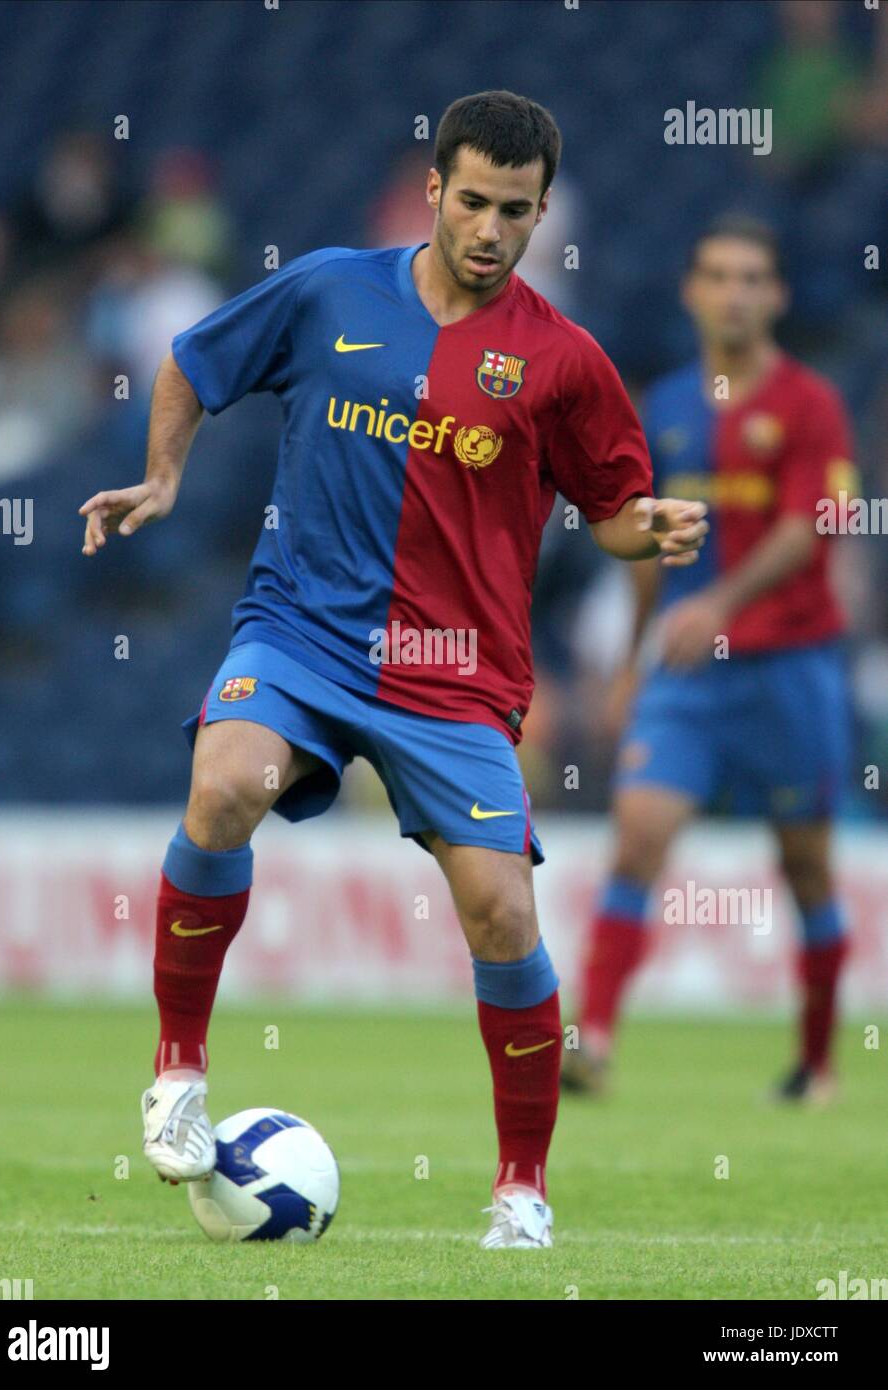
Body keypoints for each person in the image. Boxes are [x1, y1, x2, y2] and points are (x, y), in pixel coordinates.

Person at [80, 89, 706, 1249]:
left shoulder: (565, 363)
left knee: (504, 913)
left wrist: (647, 528)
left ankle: (523, 1188)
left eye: (513, 211)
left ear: (541, 216)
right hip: (302, 631)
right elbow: (188, 364)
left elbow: (614, 510)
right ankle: (177, 1071)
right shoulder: (327, 289)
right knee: (225, 785)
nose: (487, 227)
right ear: (433, 190)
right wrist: (164, 479)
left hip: (457, 673)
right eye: (470, 200)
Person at [561, 216, 854, 1105]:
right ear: (692, 292)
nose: (736, 292)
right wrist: (632, 659)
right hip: (687, 673)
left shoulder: (812, 405)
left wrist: (719, 606)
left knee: (804, 865)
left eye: (753, 277)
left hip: (790, 667)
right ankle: (596, 1041)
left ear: (777, 296)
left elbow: (814, 531)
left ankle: (814, 1065)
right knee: (638, 839)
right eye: (720, 275)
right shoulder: (668, 409)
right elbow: (652, 542)